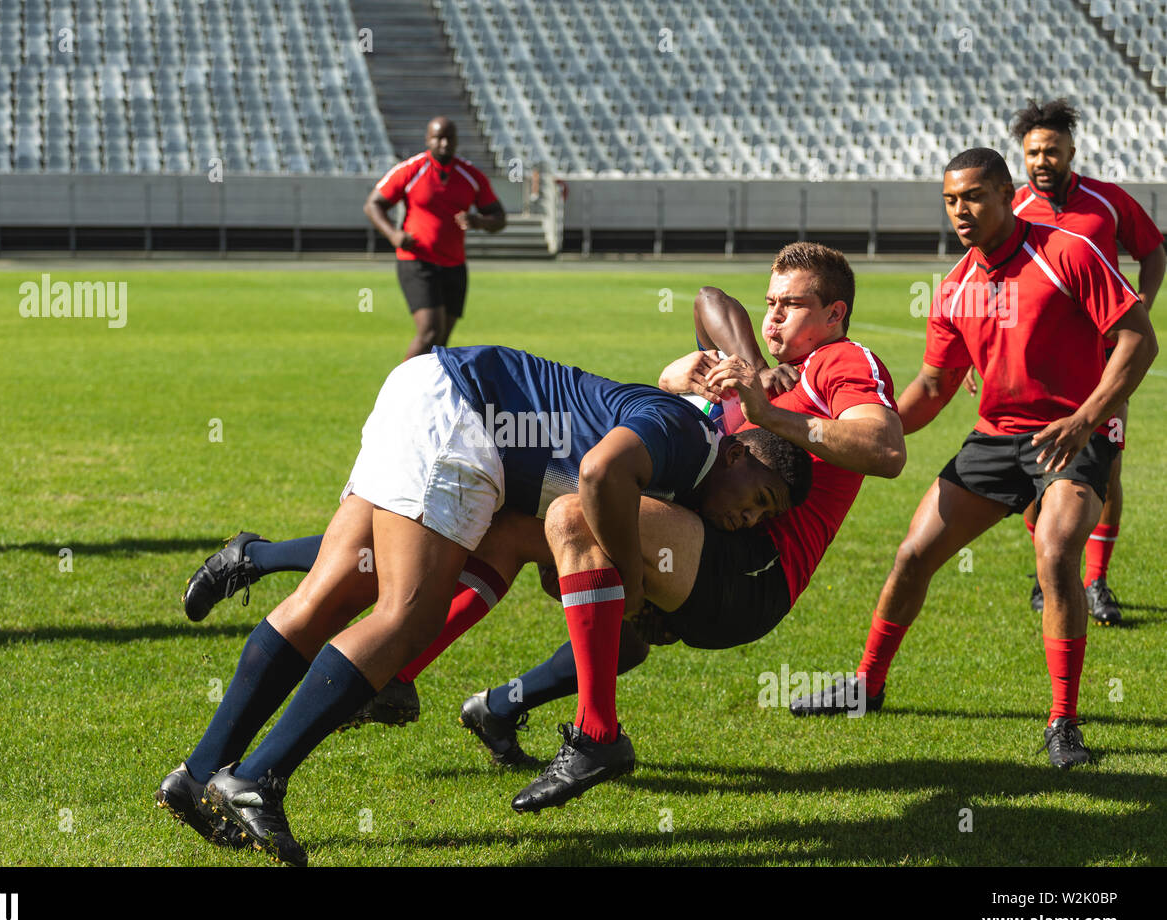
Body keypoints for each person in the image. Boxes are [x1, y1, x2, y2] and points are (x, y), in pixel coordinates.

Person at [176, 244, 908, 803]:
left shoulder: (842, 360)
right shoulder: (755, 378)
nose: (776, 317)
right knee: (512, 535)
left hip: (756, 568)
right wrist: (728, 368)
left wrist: (771, 407)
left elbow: (883, 446)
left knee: (575, 518)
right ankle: (453, 691)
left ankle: (595, 737)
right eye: (772, 302)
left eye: (793, 306)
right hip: (686, 524)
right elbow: (710, 300)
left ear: (836, 313)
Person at [157, 343, 809, 865]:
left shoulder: (683, 444)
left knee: (333, 591)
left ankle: (201, 771)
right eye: (759, 497)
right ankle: (257, 782)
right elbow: (601, 472)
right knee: (406, 614)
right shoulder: (692, 440)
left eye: (761, 518)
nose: (748, 518)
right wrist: (633, 583)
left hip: (432, 387)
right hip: (462, 416)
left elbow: (533, 524)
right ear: (735, 450)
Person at [792, 149, 1157, 772]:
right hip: (996, 441)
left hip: (1072, 434)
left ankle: (1063, 721)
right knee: (912, 554)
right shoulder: (956, 286)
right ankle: (866, 686)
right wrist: (865, 434)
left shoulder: (1066, 252)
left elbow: (1138, 340)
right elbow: (934, 386)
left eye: (975, 197)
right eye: (951, 200)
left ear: (1007, 195)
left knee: (1056, 552)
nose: (962, 211)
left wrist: (1087, 418)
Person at [962, 99, 1164, 624]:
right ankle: (1051, 568)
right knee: (1037, 469)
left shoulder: (1108, 201)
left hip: (1105, 360)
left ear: (1071, 151)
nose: (1041, 160)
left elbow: (1153, 250)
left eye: (1051, 151)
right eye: (1032, 153)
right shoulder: (1013, 210)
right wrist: (970, 350)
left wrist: (1142, 304)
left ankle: (1094, 579)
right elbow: (980, 282)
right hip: (1036, 368)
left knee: (1106, 470)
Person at [364, 116, 506, 360]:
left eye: (449, 138)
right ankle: (399, 391)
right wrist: (393, 234)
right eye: (438, 137)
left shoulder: (471, 176)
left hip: (454, 264)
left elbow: (499, 217)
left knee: (441, 341)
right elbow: (373, 205)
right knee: (430, 331)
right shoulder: (411, 170)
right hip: (417, 260)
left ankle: (428, 393)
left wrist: (479, 221)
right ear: (427, 139)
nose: (443, 143)